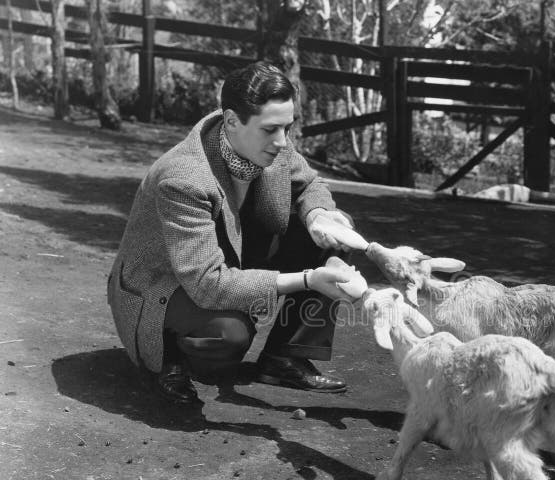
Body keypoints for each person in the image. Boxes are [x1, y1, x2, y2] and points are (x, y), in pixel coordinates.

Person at [107, 61, 365, 404]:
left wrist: (319, 216)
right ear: (231, 120)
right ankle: (170, 357)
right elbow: (207, 283)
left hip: (227, 254)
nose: (282, 141)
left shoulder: (269, 142)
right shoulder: (184, 177)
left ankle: (282, 359)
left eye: (287, 128)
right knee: (230, 334)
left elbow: (309, 185)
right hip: (163, 285)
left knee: (335, 232)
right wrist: (308, 279)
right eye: (272, 130)